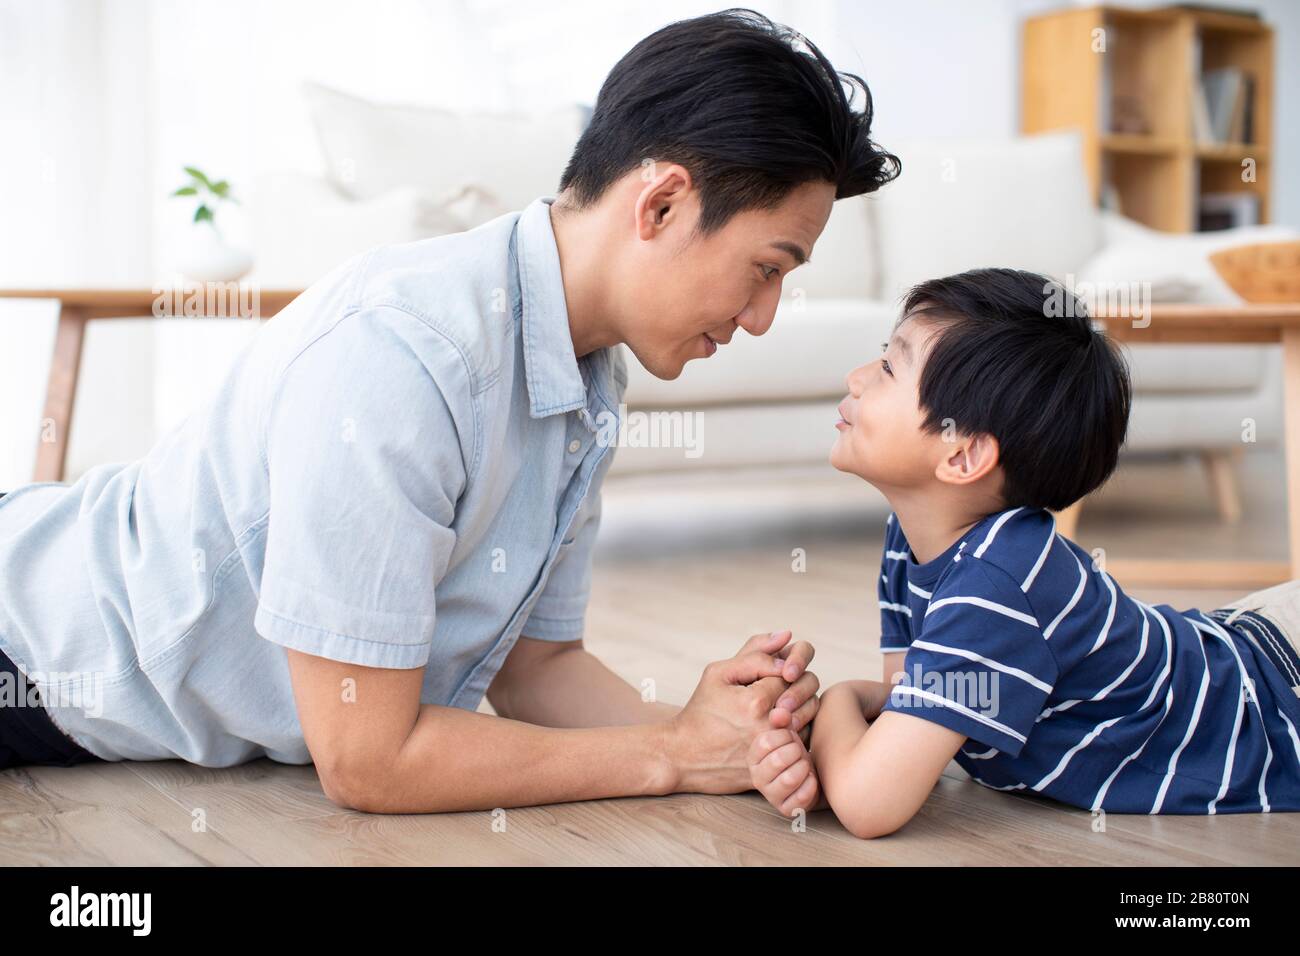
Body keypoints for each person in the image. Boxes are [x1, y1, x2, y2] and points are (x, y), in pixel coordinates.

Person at [0, 10, 899, 813]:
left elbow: (537, 670)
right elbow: (369, 761)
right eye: (768, 268)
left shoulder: (589, 374)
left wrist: (723, 738)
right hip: (26, 643)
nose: (764, 317)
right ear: (660, 203)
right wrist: (671, 755)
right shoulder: (404, 355)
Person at [749, 268, 1300, 835]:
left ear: (962, 456)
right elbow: (904, 703)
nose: (857, 377)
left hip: (1274, 702)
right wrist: (827, 756)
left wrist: (836, 705)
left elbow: (870, 804)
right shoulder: (909, 537)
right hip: (1240, 642)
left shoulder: (1000, 583)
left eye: (890, 367)